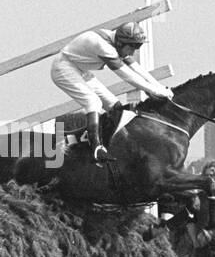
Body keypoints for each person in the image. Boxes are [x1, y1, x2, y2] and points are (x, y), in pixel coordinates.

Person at [50, 21, 176, 162]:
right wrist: (154, 91)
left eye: (138, 46)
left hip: (80, 69)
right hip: (63, 68)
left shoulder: (115, 41)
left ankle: (82, 137)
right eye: (133, 46)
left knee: (115, 106)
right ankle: (96, 148)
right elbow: (127, 76)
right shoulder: (103, 46)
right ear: (121, 43)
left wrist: (159, 87)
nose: (134, 51)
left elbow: (136, 67)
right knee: (93, 102)